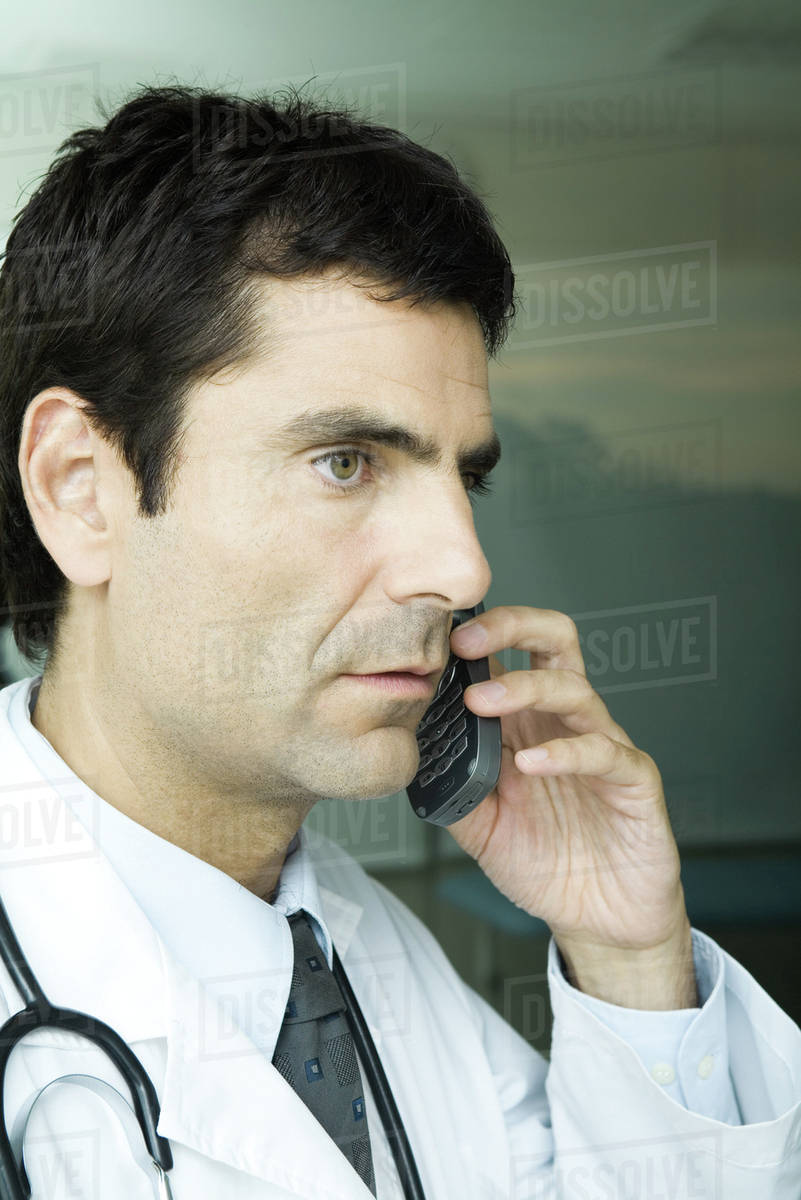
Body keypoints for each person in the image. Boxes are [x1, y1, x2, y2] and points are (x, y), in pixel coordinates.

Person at [0, 83, 798, 1199]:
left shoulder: (376, 964)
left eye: (461, 475)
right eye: (347, 461)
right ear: (82, 490)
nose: (463, 569)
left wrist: (625, 955)